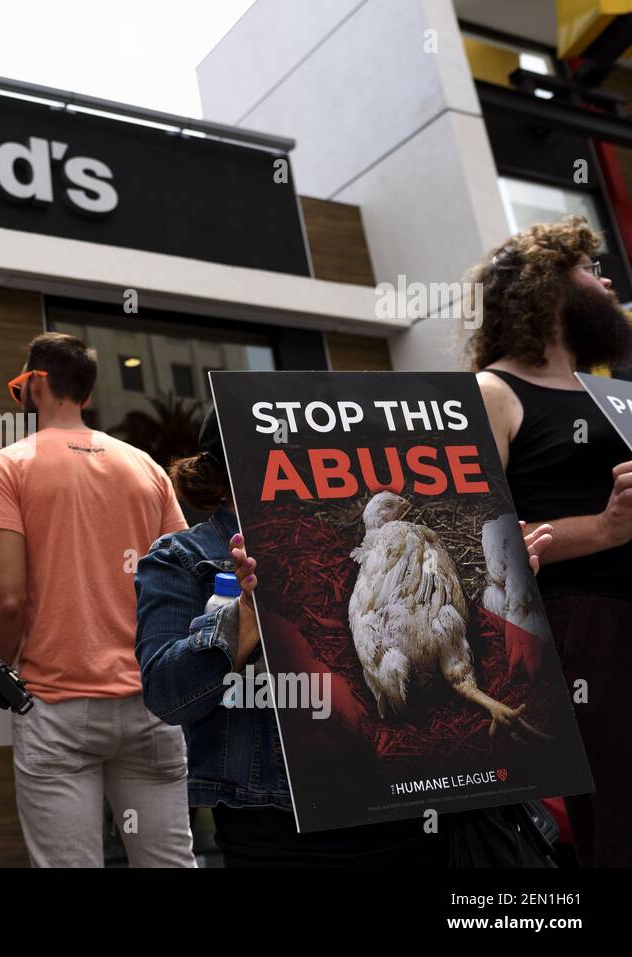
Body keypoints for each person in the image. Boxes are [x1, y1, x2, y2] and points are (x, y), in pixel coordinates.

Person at [134, 410, 554, 866]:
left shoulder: (348, 536)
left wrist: (508, 594)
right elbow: (168, 694)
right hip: (282, 835)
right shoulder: (182, 556)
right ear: (222, 469)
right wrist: (245, 617)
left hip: (415, 817)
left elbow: (443, 647)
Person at [0, 332, 196, 867]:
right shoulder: (145, 469)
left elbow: (7, 601)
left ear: (35, 385)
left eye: (19, 387)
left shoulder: (11, 465)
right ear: (85, 394)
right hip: (151, 706)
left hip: (59, 711)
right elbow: (182, 582)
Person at [468, 215, 632, 867]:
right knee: (617, 814)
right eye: (588, 268)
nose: (604, 279)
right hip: (583, 622)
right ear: (545, 288)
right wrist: (605, 527)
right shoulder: (494, 390)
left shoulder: (614, 390)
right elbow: (481, 536)